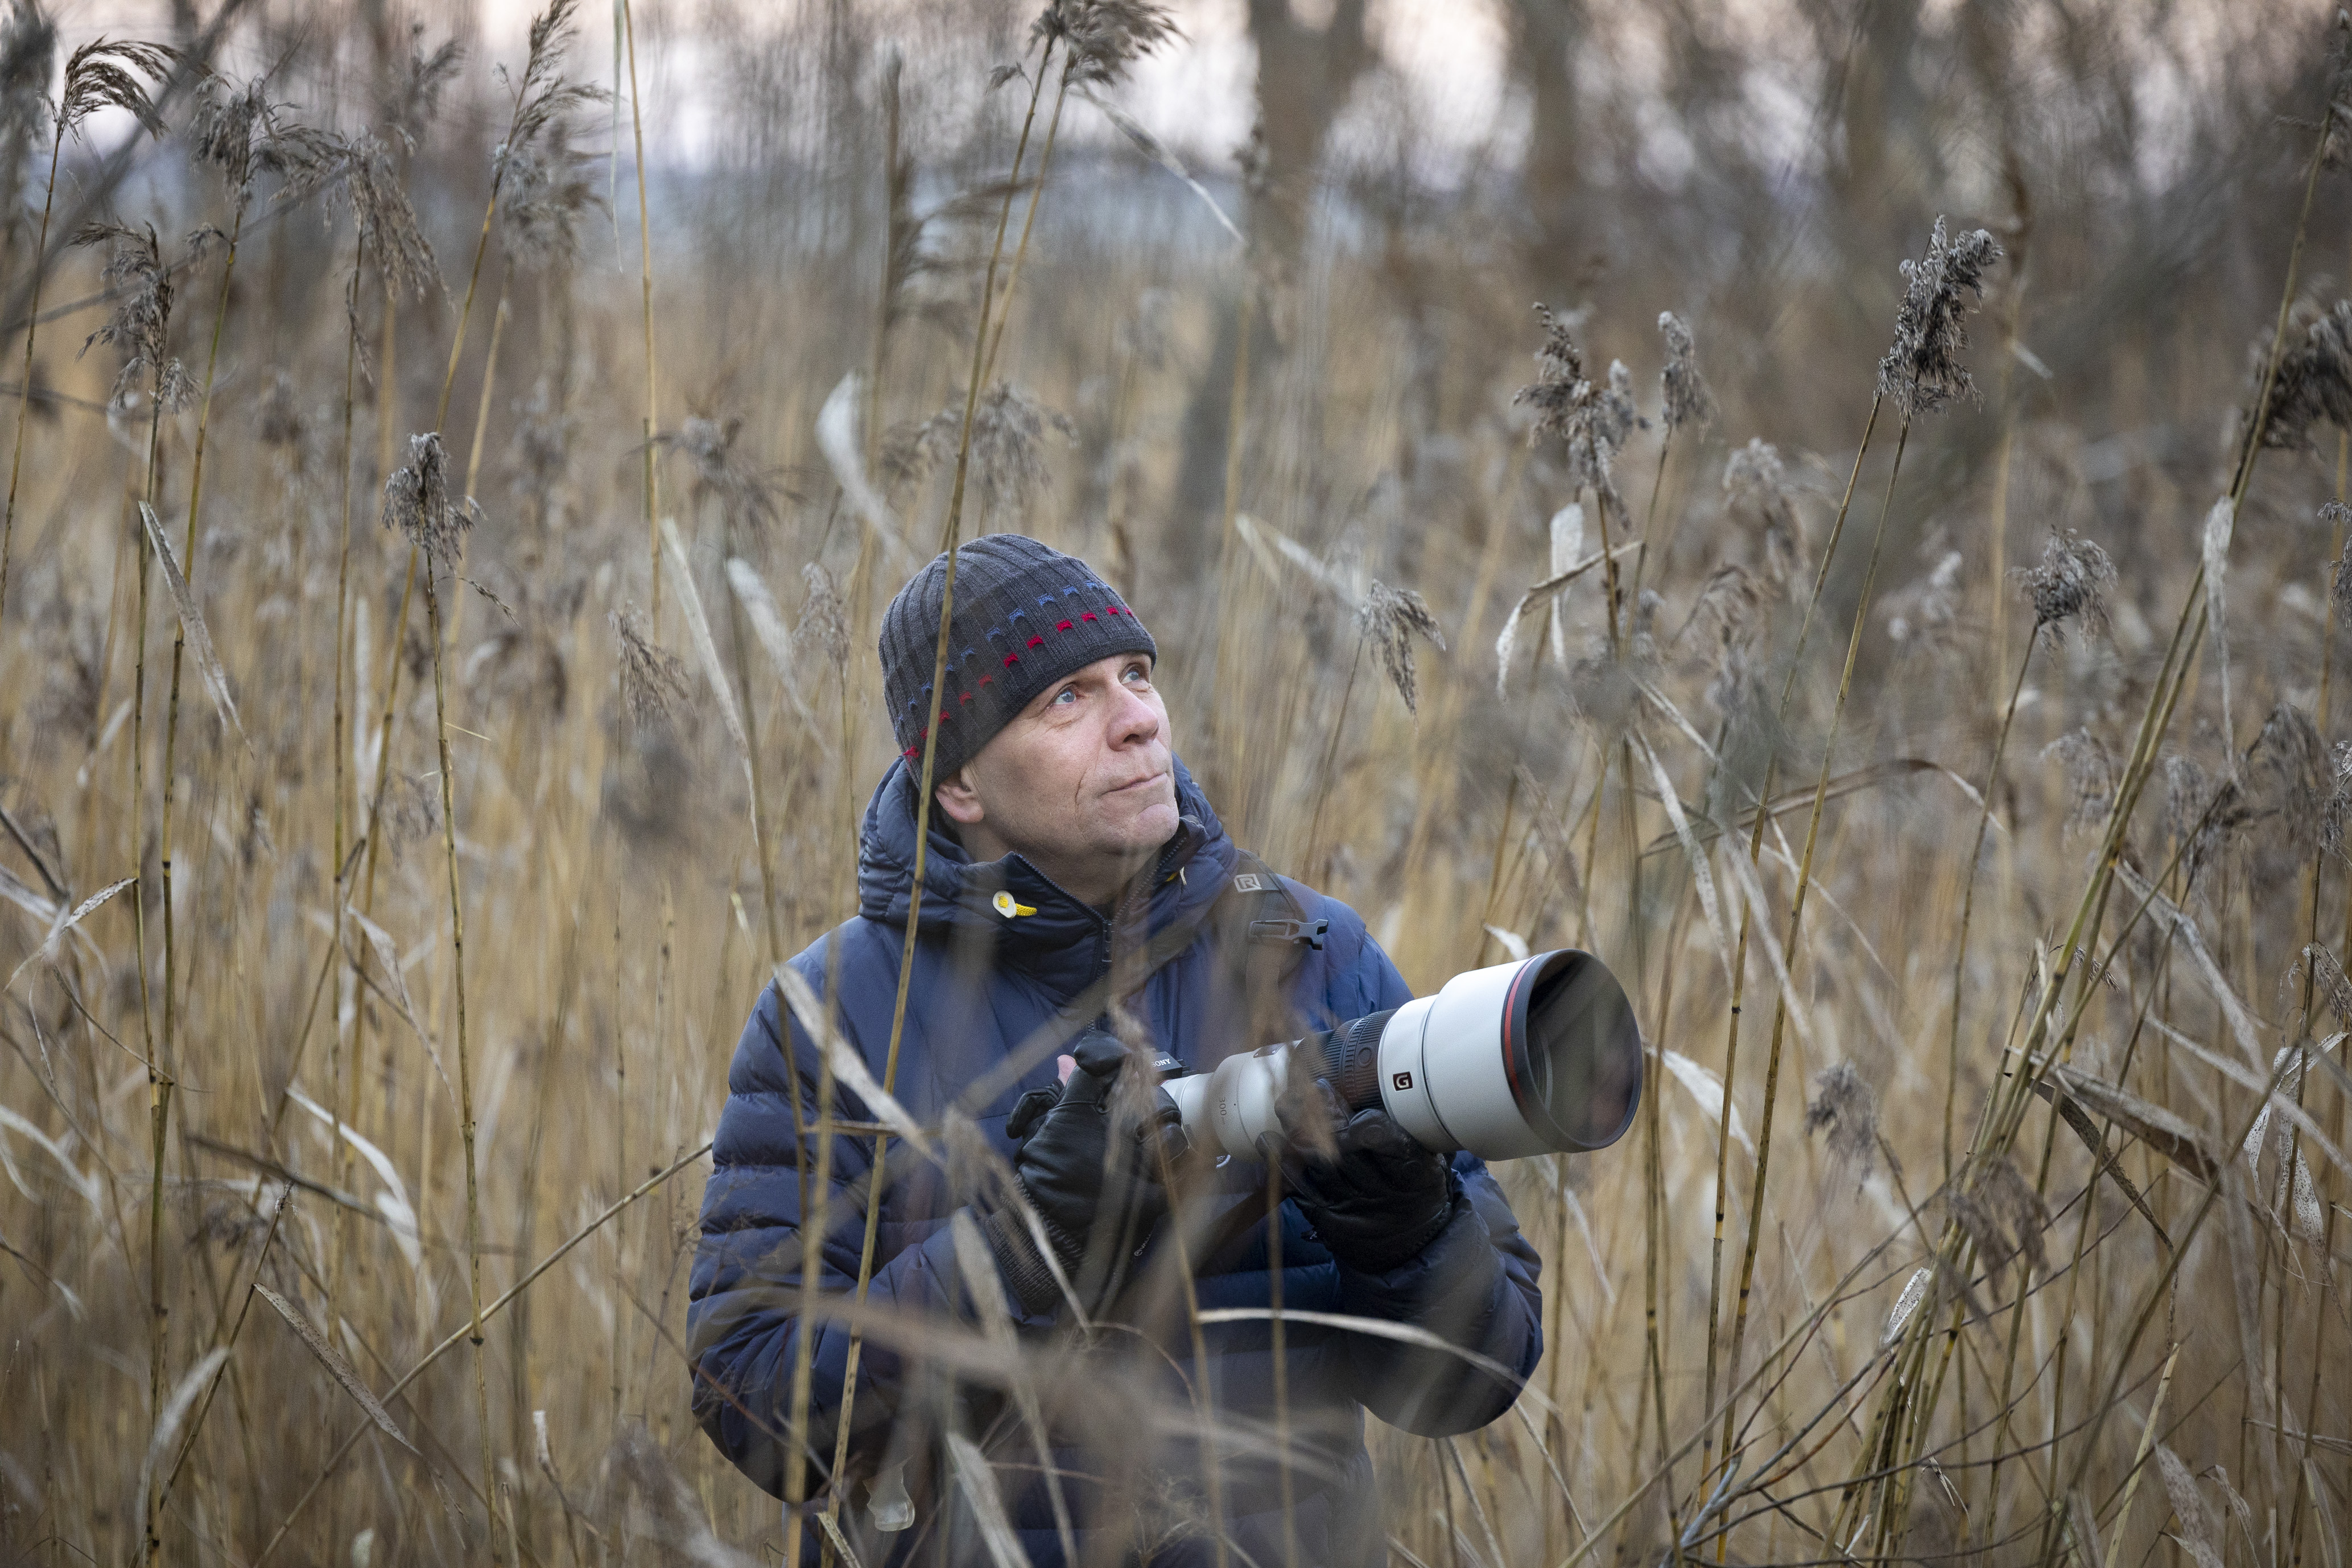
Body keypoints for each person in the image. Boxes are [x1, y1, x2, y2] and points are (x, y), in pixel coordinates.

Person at [688, 535, 1544, 1568]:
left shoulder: (1309, 955)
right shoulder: (834, 1014)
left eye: (1136, 675)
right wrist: (1024, 1242)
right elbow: (755, 1409)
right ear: (959, 783)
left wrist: (1407, 1233)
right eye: (1067, 698)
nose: (1138, 719)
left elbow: (1479, 1379)